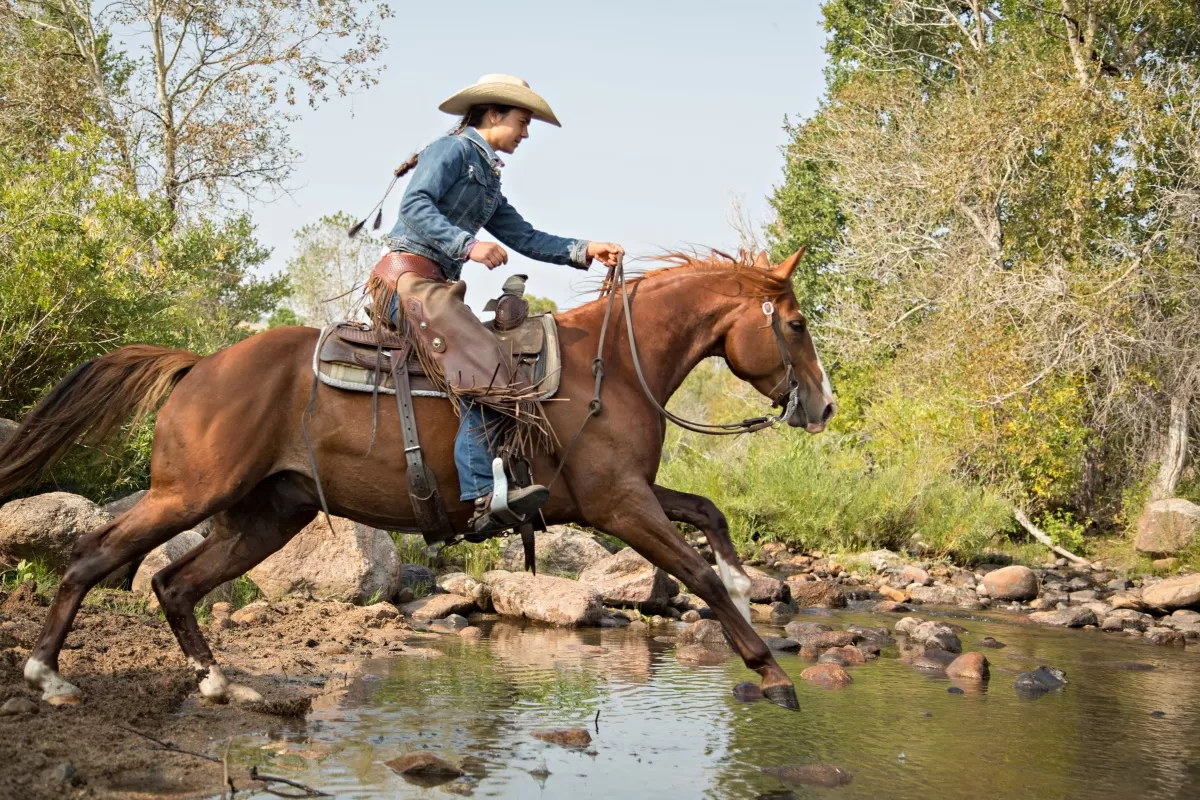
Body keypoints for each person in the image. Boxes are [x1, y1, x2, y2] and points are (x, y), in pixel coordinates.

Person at [370, 74, 624, 534]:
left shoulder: (485, 175)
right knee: (488, 371)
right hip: (407, 282)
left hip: (435, 288)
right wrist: (467, 245)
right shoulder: (450, 151)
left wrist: (585, 248)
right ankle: (483, 494)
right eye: (522, 123)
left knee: (494, 364)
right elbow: (416, 206)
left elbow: (525, 236)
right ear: (493, 114)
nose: (525, 134)